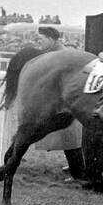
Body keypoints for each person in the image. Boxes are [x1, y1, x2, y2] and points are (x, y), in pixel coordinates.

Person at [36, 25, 84, 178]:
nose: (39, 42)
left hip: (67, 103)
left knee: (70, 137)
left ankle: (78, 174)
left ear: (51, 39)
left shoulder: (63, 55)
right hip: (59, 102)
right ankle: (74, 167)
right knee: (66, 137)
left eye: (41, 39)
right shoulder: (53, 53)